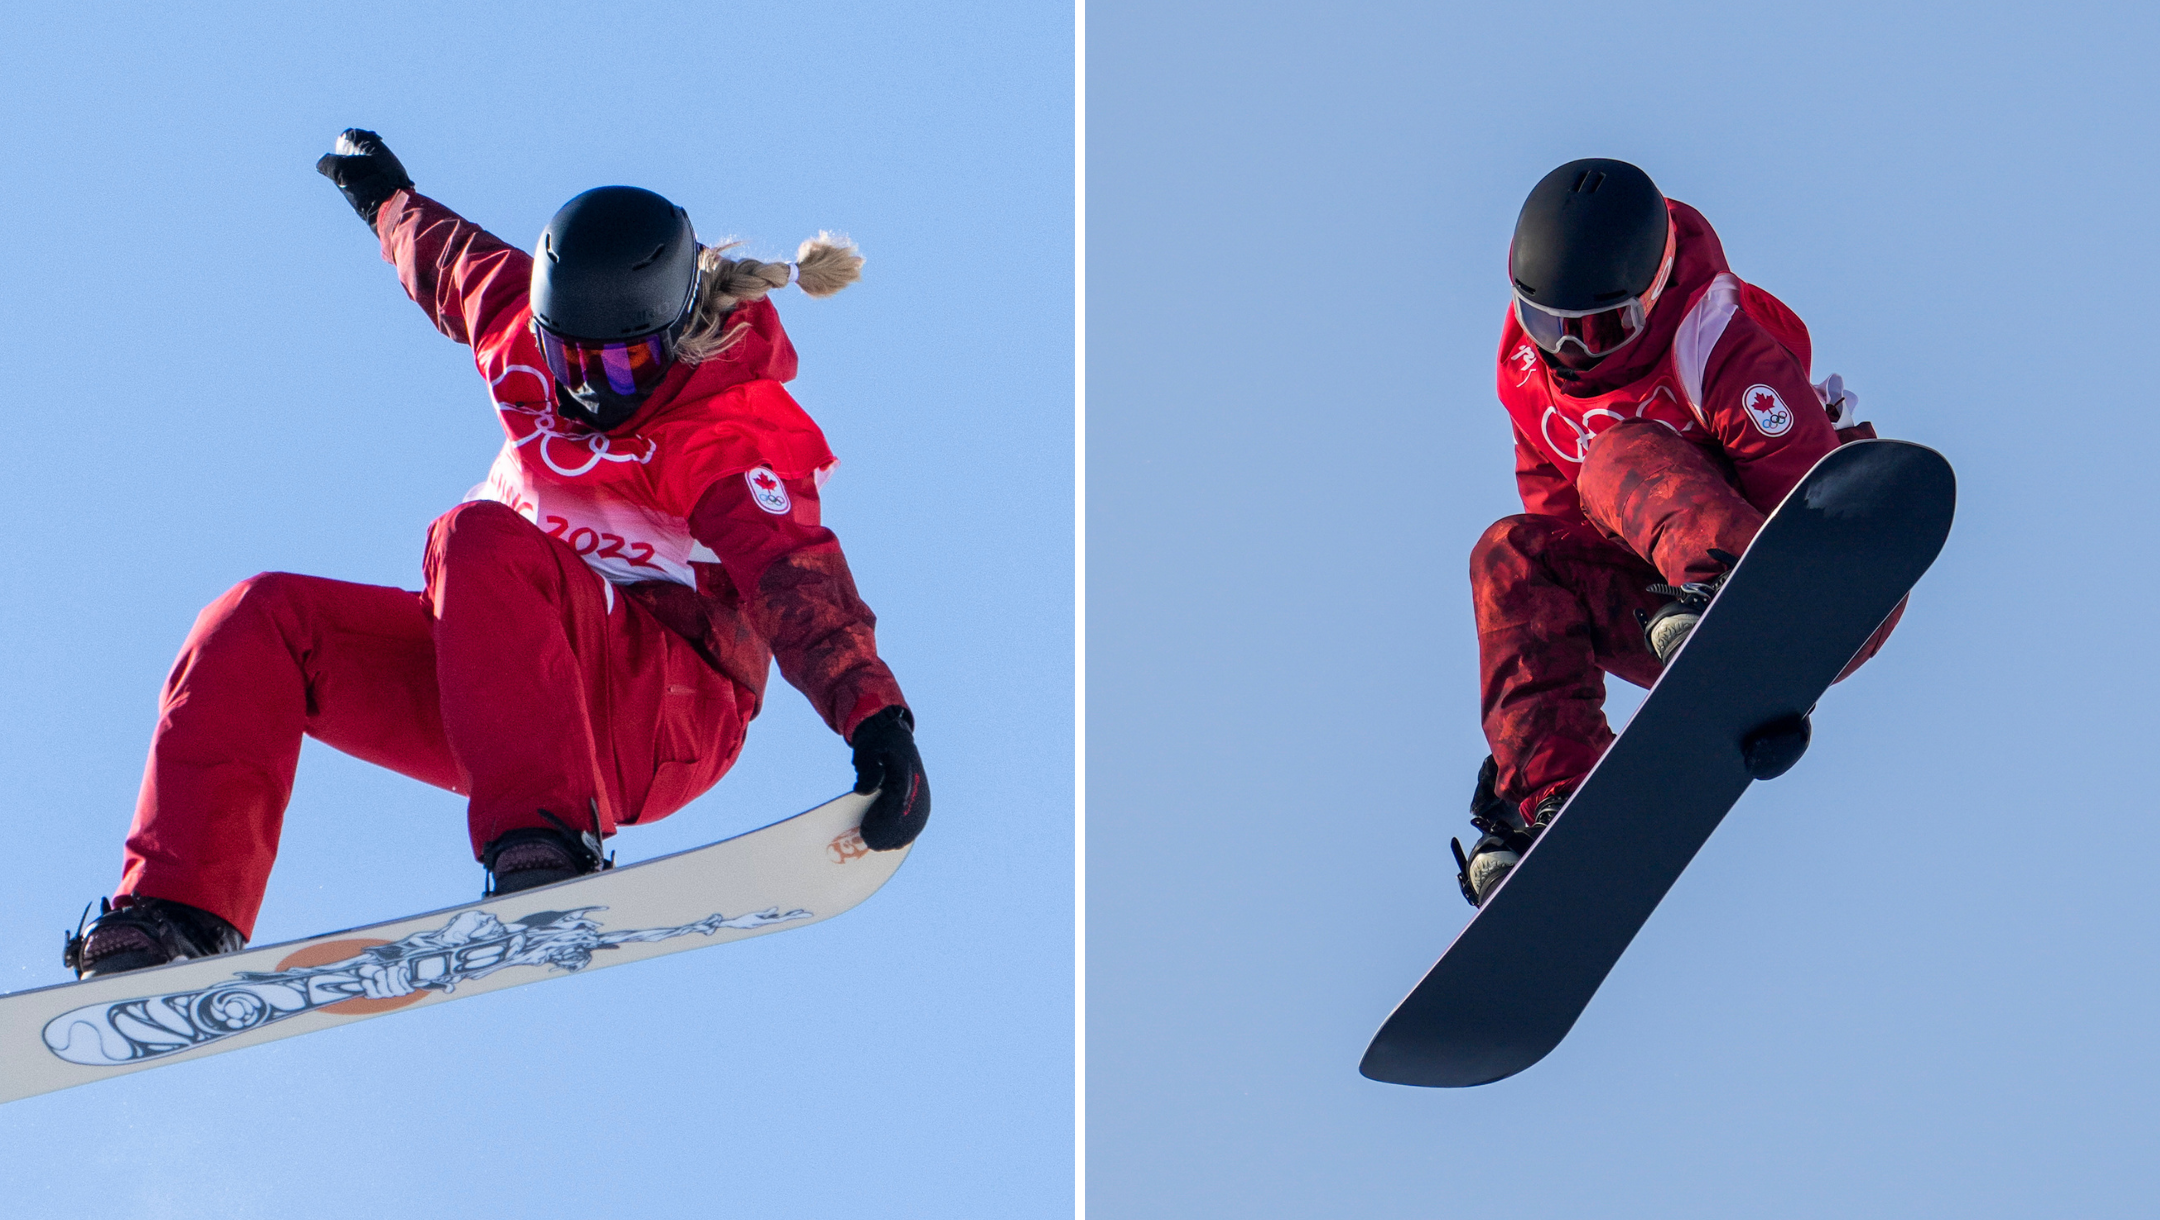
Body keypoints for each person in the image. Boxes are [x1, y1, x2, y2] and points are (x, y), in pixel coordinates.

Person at [64, 129, 930, 978]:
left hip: (661, 713)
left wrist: (876, 721)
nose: (592, 390)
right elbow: (449, 262)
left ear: (669, 338)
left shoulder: (725, 433)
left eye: (624, 369)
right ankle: (179, 912)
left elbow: (797, 582)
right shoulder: (516, 324)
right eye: (571, 361)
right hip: (507, 684)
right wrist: (385, 202)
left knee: (474, 538)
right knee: (259, 619)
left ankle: (548, 844)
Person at [1453, 158, 1890, 907]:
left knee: (1619, 450)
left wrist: (1789, 658)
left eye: (1602, 329)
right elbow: (1569, 543)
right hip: (1667, 607)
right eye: (1547, 325)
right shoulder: (1527, 378)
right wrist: (1528, 732)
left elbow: (1802, 486)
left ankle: (1729, 596)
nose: (1572, 351)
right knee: (1510, 554)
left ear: (1650, 299)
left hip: (1815, 561)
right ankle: (1557, 792)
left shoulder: (1713, 338)